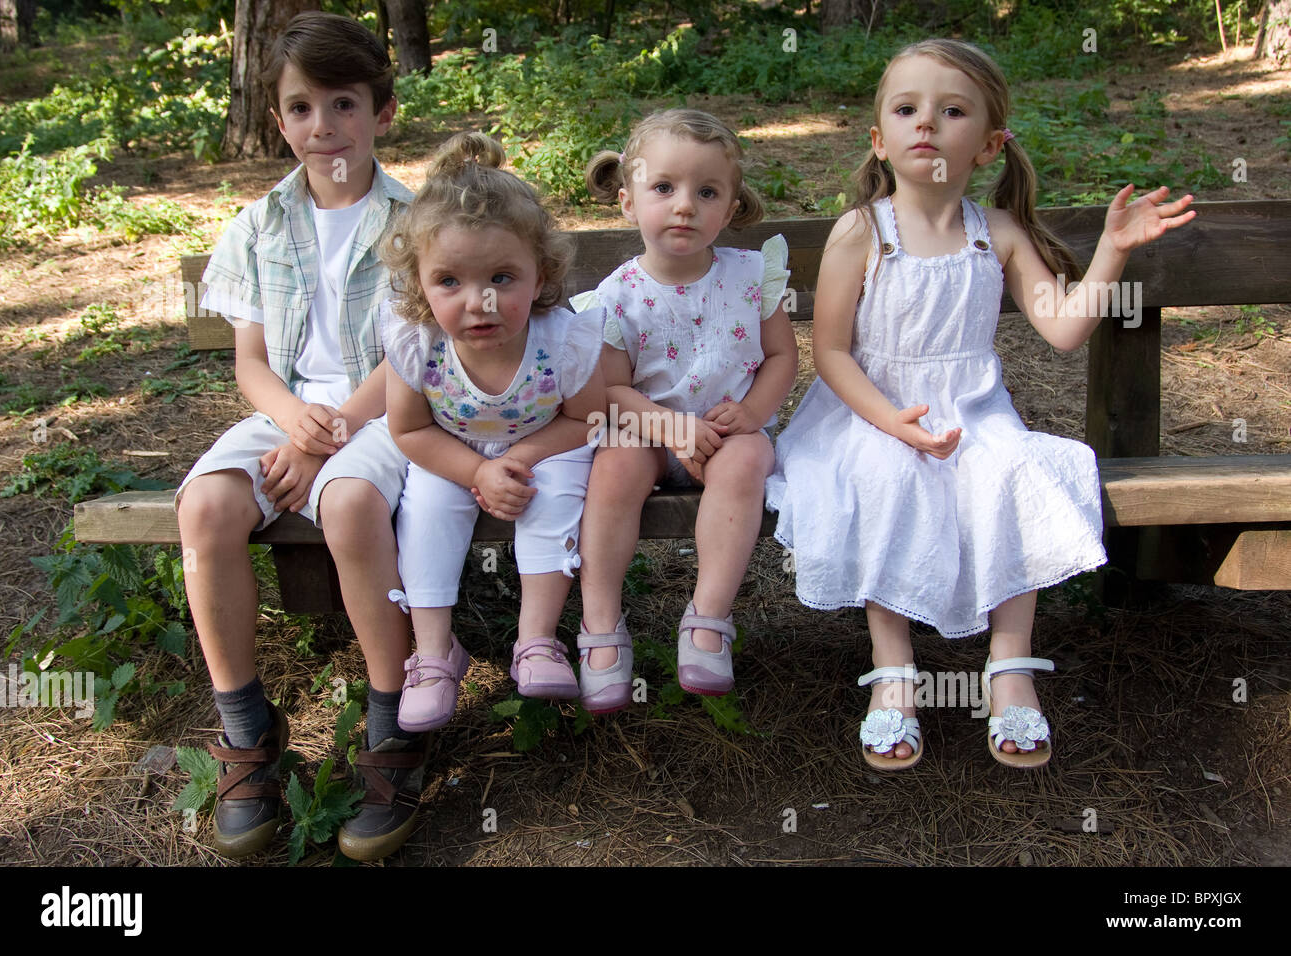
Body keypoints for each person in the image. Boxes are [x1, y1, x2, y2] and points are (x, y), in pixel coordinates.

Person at [766, 38, 1195, 770]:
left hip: (971, 412)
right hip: (870, 409)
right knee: (884, 478)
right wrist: (888, 420)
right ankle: (894, 672)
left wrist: (1112, 253)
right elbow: (830, 351)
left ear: (990, 145)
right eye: (906, 109)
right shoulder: (862, 232)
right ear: (879, 138)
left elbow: (1062, 329)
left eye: (951, 110)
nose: (925, 123)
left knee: (1016, 473)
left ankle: (1011, 668)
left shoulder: (994, 233)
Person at [174, 11, 424, 860]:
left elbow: (414, 355)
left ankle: (394, 727)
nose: (325, 127)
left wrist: (331, 434)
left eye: (344, 104)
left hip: (383, 412)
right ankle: (246, 730)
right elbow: (250, 363)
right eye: (303, 108)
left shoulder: (413, 222)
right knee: (206, 510)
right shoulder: (257, 226)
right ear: (278, 121)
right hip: (283, 414)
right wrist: (290, 422)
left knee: (352, 506)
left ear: (382, 113)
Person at [570, 109, 798, 712]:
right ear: (627, 201)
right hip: (649, 432)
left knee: (748, 460)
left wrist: (752, 413)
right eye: (663, 188)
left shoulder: (753, 277)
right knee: (614, 464)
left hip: (727, 433)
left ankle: (707, 617)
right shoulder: (616, 295)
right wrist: (668, 425)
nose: (684, 206)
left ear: (728, 208)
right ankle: (600, 627)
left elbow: (781, 358)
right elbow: (611, 393)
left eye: (706, 192)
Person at [379, 133, 605, 733]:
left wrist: (522, 459)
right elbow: (409, 429)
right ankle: (432, 653)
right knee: (424, 505)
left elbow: (586, 419)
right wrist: (476, 471)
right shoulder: (417, 342)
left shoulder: (562, 338)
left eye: (503, 277)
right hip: (450, 453)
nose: (480, 302)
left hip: (545, 445)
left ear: (540, 275)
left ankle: (536, 640)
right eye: (449, 281)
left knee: (555, 495)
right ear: (420, 283)